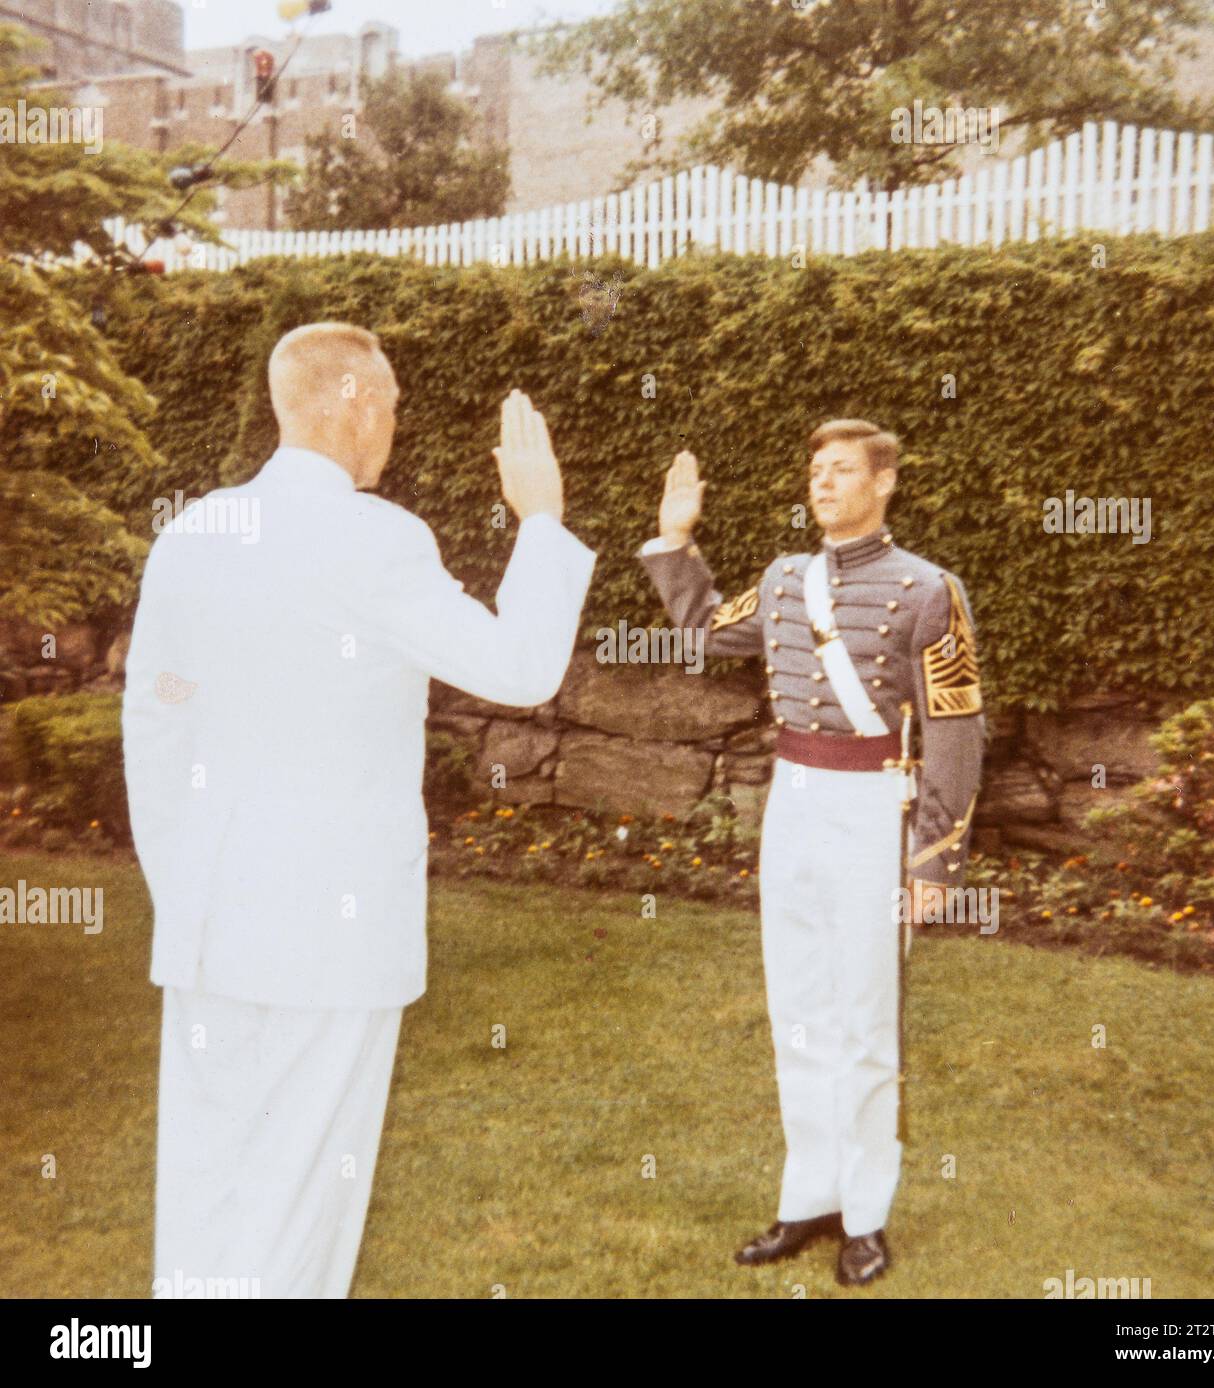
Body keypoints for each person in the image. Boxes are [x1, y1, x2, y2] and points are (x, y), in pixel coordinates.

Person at [122, 322, 595, 1297]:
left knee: (207, 1190)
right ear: (351, 402)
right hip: (328, 933)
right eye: (388, 404)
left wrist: (183, 885)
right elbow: (520, 666)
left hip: (210, 921)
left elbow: (155, 728)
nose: (393, 423)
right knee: (300, 1205)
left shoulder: (191, 531)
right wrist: (540, 519)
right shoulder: (376, 539)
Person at [639, 420, 984, 1287]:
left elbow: (955, 727)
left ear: (885, 482)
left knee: (865, 1020)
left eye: (841, 471)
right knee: (798, 1006)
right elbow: (711, 630)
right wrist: (677, 539)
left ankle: (864, 1215)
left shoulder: (930, 590)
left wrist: (935, 856)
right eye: (816, 470)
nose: (822, 483)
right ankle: (807, 1198)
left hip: (876, 806)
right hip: (793, 801)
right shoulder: (785, 580)